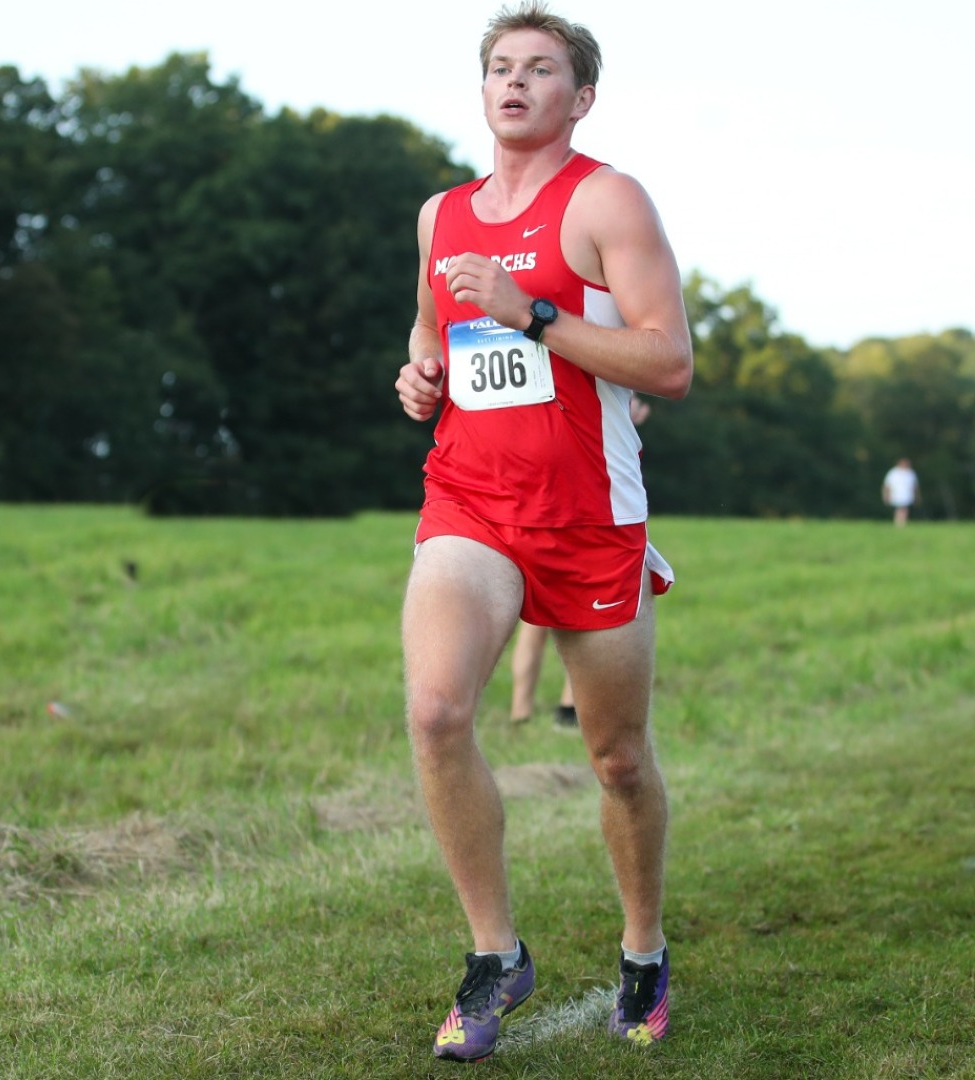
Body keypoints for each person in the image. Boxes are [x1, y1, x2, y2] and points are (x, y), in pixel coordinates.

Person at [392, 2, 690, 1059]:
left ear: (581, 95)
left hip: (589, 516)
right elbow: (434, 335)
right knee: (434, 710)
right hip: (469, 500)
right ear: (481, 91)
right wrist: (420, 374)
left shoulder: (605, 200)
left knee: (613, 760)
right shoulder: (440, 215)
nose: (514, 83)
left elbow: (669, 363)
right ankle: (493, 955)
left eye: (540, 69)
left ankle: (644, 949)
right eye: (499, 68)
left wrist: (535, 316)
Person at [511, 396, 649, 731]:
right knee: (582, 615)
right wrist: (625, 417)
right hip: (582, 510)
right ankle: (568, 708)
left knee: (535, 623)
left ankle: (520, 712)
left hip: (532, 507)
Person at [882, 457, 918, 526]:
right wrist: (886, 495)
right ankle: (898, 523)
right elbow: (887, 485)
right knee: (900, 509)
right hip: (896, 494)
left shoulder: (910, 473)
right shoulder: (893, 473)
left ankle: (902, 522)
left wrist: (916, 496)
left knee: (904, 509)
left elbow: (915, 486)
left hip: (907, 495)